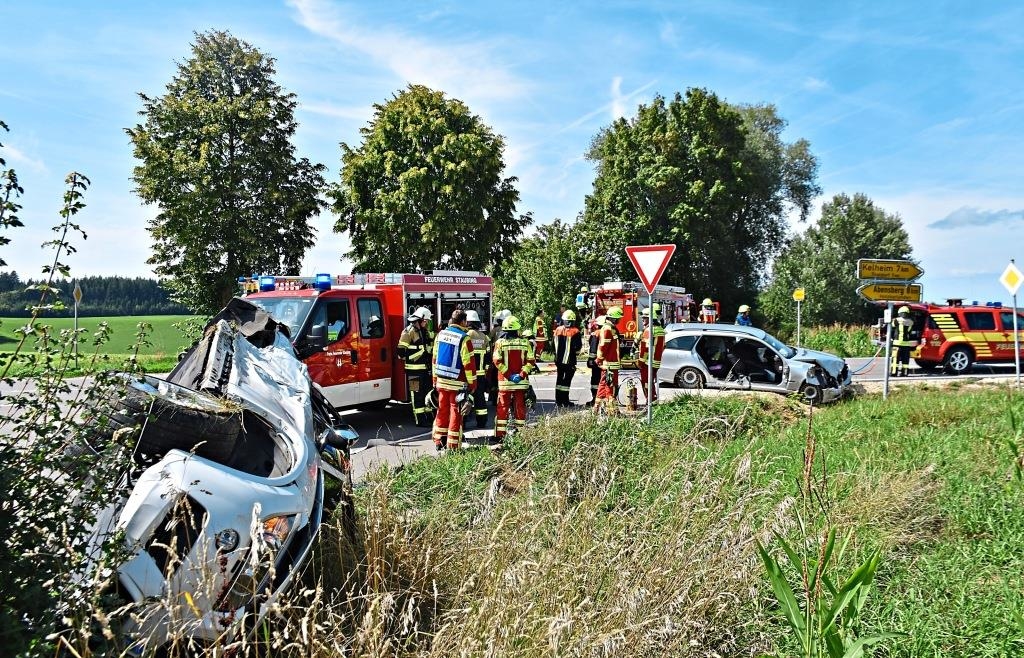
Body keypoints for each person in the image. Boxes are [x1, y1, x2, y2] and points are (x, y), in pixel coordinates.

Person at [431, 309, 477, 451]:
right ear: (463, 321)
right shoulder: (464, 338)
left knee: (441, 411)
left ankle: (439, 441)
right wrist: (472, 383)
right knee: (455, 413)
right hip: (457, 383)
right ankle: (453, 445)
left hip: (441, 381)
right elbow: (468, 364)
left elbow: (434, 359)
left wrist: (434, 380)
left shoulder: (440, 335)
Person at [492, 315, 536, 442]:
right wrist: (521, 375)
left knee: (502, 408)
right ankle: (520, 434)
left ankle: (500, 435)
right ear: (517, 329)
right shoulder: (525, 342)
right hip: (521, 383)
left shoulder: (499, 343)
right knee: (520, 407)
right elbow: (531, 361)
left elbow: (497, 361)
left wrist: (509, 375)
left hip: (505, 383)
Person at [397, 307, 433, 427]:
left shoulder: (424, 331)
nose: (426, 323)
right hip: (413, 371)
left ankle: (429, 417)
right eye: (425, 321)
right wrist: (419, 353)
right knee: (416, 395)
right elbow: (400, 353)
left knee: (427, 394)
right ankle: (420, 420)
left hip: (425, 370)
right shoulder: (408, 332)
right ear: (419, 319)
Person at [465, 309, 490, 428]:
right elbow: (488, 357)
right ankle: (482, 421)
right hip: (480, 374)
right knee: (480, 399)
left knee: (465, 398)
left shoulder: (466, 335)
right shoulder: (484, 337)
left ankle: (463, 421)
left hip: (468, 374)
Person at [552, 309, 583, 407]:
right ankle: (565, 401)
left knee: (559, 380)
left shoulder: (557, 330)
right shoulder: (575, 331)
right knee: (567, 381)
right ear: (573, 321)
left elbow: (553, 346)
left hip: (558, 361)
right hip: (569, 361)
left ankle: (558, 401)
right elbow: (577, 348)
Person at [594, 307, 623, 409]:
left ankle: (596, 410)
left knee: (603, 386)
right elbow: (603, 346)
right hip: (609, 365)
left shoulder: (611, 328)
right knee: (611, 388)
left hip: (611, 364)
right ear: (614, 318)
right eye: (619, 318)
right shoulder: (607, 329)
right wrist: (599, 359)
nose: (620, 320)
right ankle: (612, 411)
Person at [636, 307, 666, 403]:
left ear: (650, 318)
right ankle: (652, 401)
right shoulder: (660, 329)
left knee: (646, 383)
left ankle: (650, 402)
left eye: (644, 318)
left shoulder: (649, 330)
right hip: (656, 361)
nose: (642, 319)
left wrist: (640, 361)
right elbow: (663, 346)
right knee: (650, 382)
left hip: (647, 362)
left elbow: (645, 348)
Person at [890, 305, 918, 377]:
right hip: (906, 344)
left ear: (900, 312)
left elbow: (891, 327)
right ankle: (904, 373)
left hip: (897, 343)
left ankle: (894, 373)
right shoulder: (911, 322)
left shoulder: (896, 320)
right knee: (905, 361)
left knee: (895, 359)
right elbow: (909, 332)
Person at [585, 315, 605, 406]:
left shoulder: (596, 334)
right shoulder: (608, 332)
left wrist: (591, 361)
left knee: (595, 380)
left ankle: (595, 399)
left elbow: (593, 350)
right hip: (605, 362)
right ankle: (603, 399)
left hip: (596, 362)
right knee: (603, 380)